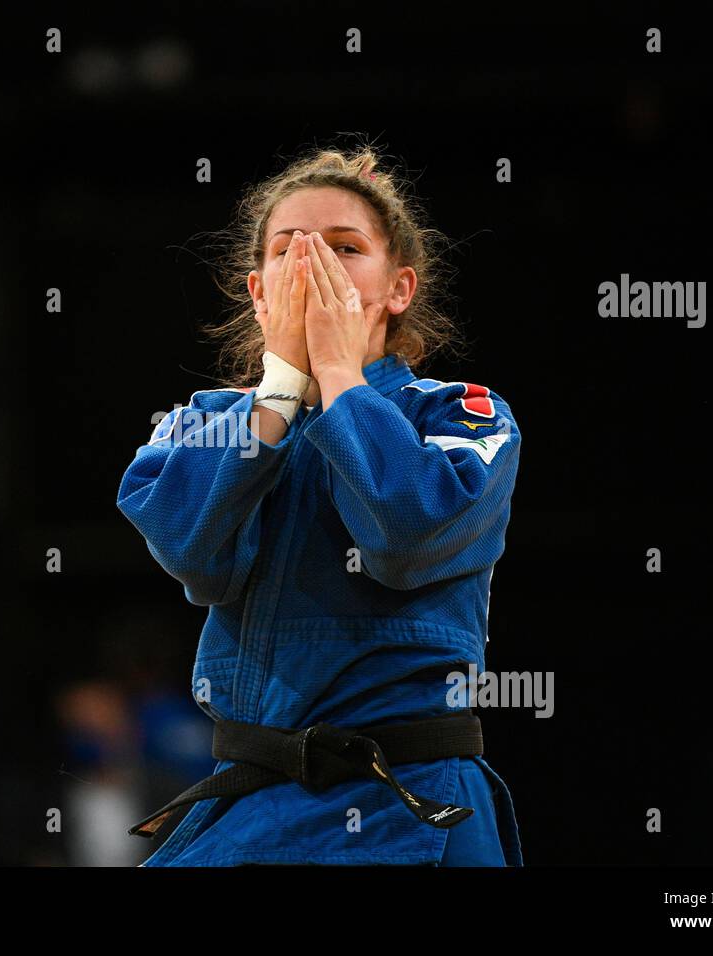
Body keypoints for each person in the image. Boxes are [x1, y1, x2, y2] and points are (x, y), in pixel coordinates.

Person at [116, 145, 524, 866]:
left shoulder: (463, 416)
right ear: (258, 289)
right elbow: (191, 552)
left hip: (408, 798)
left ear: (398, 288)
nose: (315, 267)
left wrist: (339, 374)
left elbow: (404, 537)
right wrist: (279, 391)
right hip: (251, 808)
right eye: (289, 251)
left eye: (344, 247)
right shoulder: (203, 422)